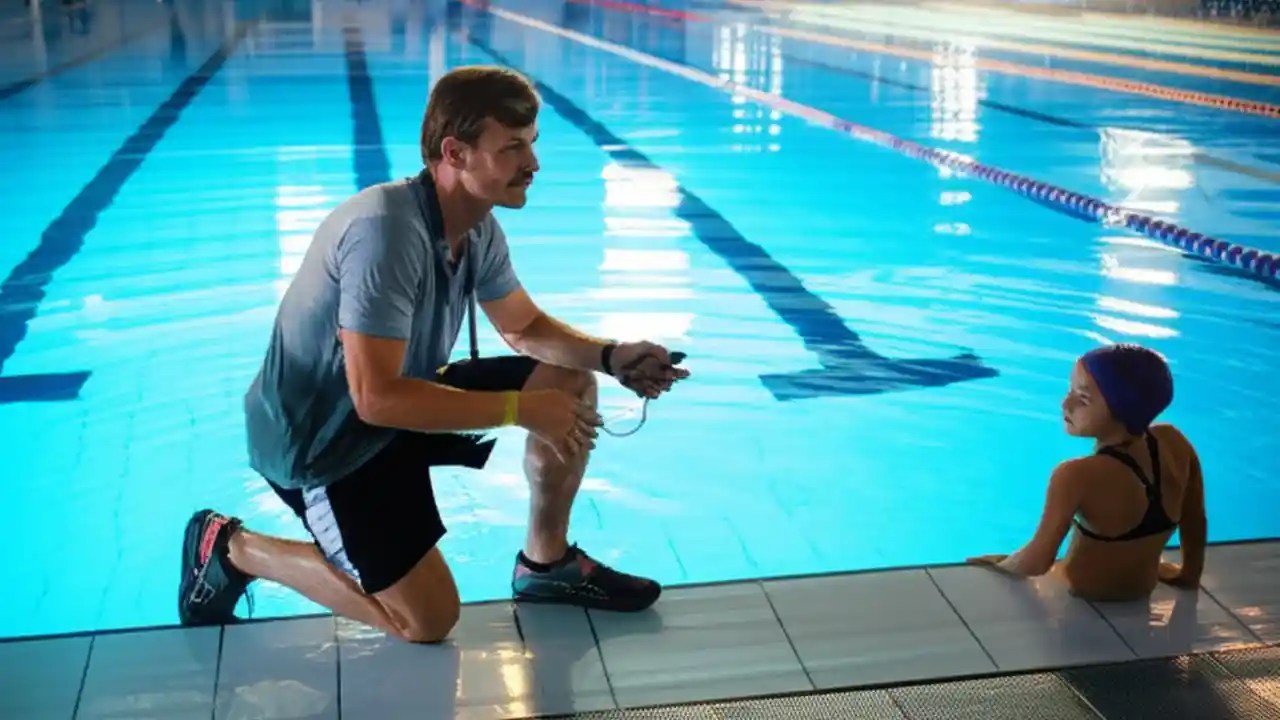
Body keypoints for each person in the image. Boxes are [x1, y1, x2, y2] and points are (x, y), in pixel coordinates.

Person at [176, 65, 689, 643]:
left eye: (532, 143)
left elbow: (523, 327)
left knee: (568, 380)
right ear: (455, 152)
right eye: (513, 147)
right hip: (323, 443)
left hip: (393, 405)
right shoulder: (385, 233)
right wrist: (520, 410)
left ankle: (547, 566)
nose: (533, 163)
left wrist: (612, 357)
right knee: (426, 621)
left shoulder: (476, 227)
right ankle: (230, 547)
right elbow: (375, 399)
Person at [967, 343, 1206, 602]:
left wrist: (1001, 564)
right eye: (1070, 391)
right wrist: (1188, 576)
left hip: (1078, 597)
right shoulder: (1173, 442)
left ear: (1121, 406)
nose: (1065, 403)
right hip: (1140, 592)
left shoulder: (1075, 475)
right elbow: (1194, 519)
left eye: (1083, 399)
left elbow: (1036, 562)